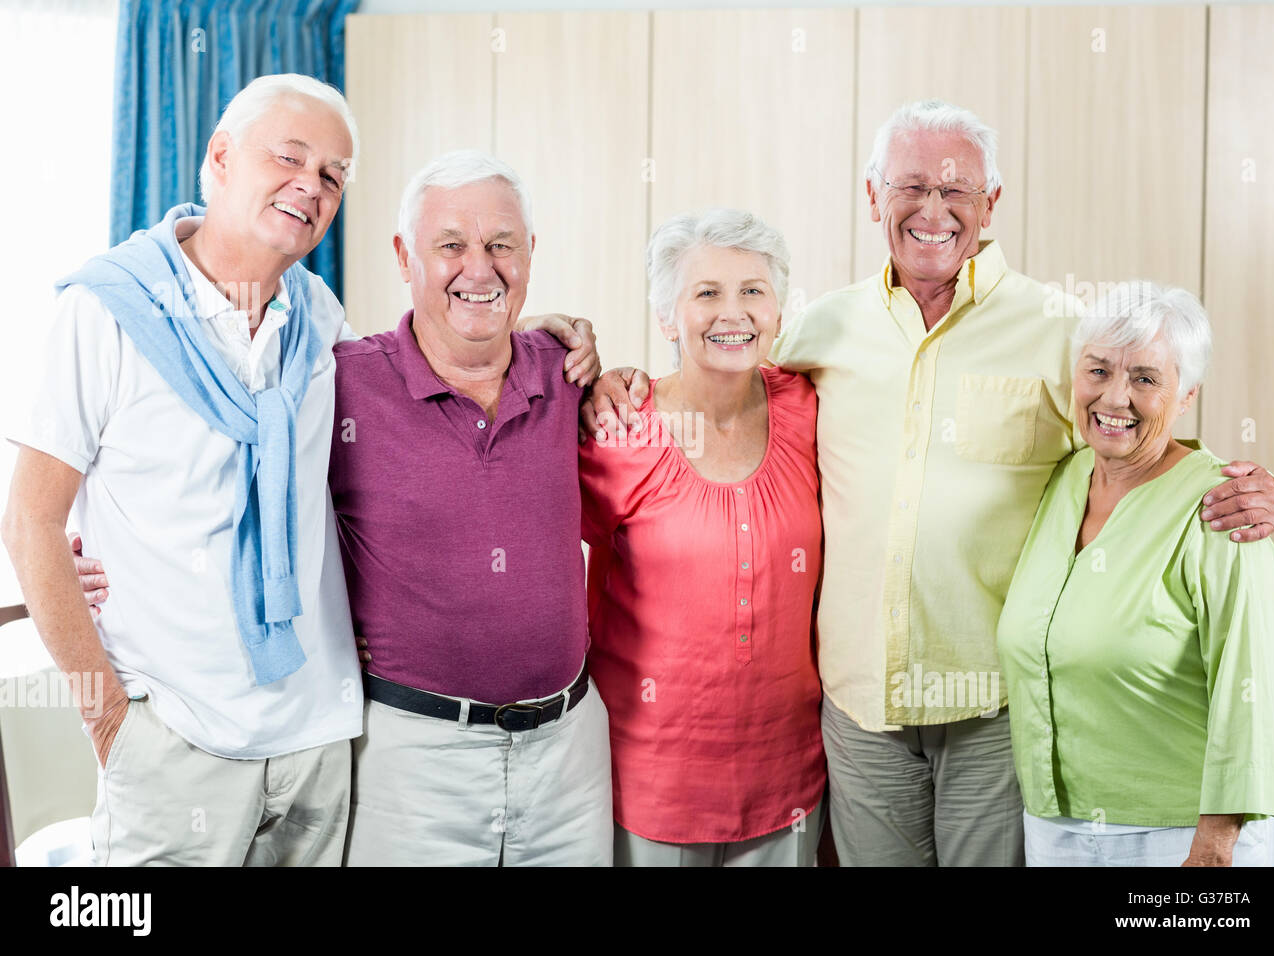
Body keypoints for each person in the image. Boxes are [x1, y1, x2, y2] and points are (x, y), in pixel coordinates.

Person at [586, 99, 1274, 866]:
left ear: (991, 204)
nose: (933, 210)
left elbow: (1131, 419)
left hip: (990, 709)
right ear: (872, 198)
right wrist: (620, 381)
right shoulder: (821, 328)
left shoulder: (1059, 328)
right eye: (911, 186)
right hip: (859, 713)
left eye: (958, 191)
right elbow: (719, 357)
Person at [9, 78, 599, 867]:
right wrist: (107, 718)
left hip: (318, 738)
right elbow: (31, 521)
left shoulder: (317, 324)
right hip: (177, 738)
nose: (310, 187)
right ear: (219, 158)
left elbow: (450, 343)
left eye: (331, 175)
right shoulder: (106, 313)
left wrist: (543, 333)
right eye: (289, 158)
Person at [333, 151, 612, 866]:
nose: (479, 269)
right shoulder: (343, 383)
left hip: (569, 751)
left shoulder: (567, 370)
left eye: (500, 245)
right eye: (450, 245)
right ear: (404, 256)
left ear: (530, 255)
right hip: (413, 760)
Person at [998, 282, 1274, 866]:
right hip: (1057, 824)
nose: (1115, 397)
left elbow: (1247, 687)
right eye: (1098, 370)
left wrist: (1215, 843)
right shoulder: (1063, 480)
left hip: (1181, 833)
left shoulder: (1223, 508)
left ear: (1187, 395)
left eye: (1146, 379)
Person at [580, 209, 825, 866]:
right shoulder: (617, 426)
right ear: (667, 317)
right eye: (707, 293)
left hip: (789, 775)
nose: (733, 313)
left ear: (777, 310)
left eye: (753, 291)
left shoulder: (810, 408)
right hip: (653, 782)